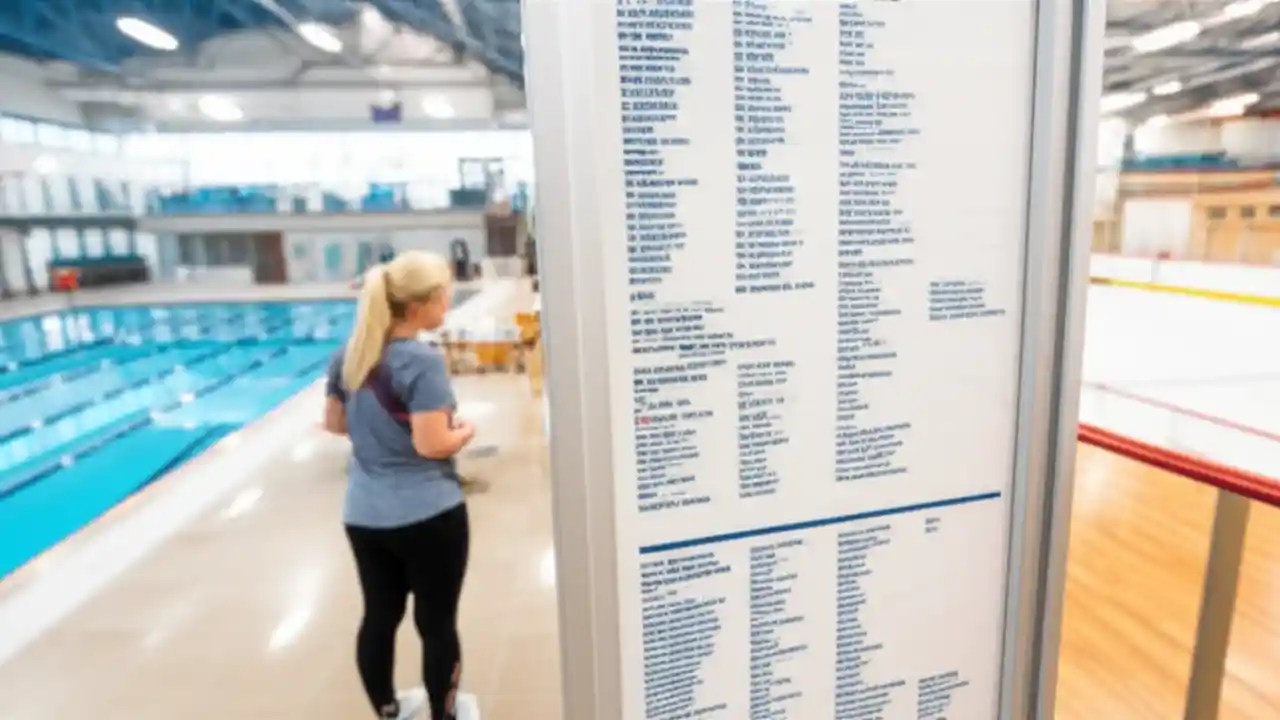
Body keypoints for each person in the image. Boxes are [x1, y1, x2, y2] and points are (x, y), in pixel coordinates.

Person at [323, 250, 475, 720]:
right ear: (418, 306)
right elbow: (432, 444)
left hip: (364, 515)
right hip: (428, 514)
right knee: (436, 624)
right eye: (443, 296)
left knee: (379, 617)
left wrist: (378, 439)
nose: (448, 304)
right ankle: (442, 717)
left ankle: (387, 711)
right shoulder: (421, 362)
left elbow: (334, 423)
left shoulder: (350, 353)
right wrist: (466, 432)